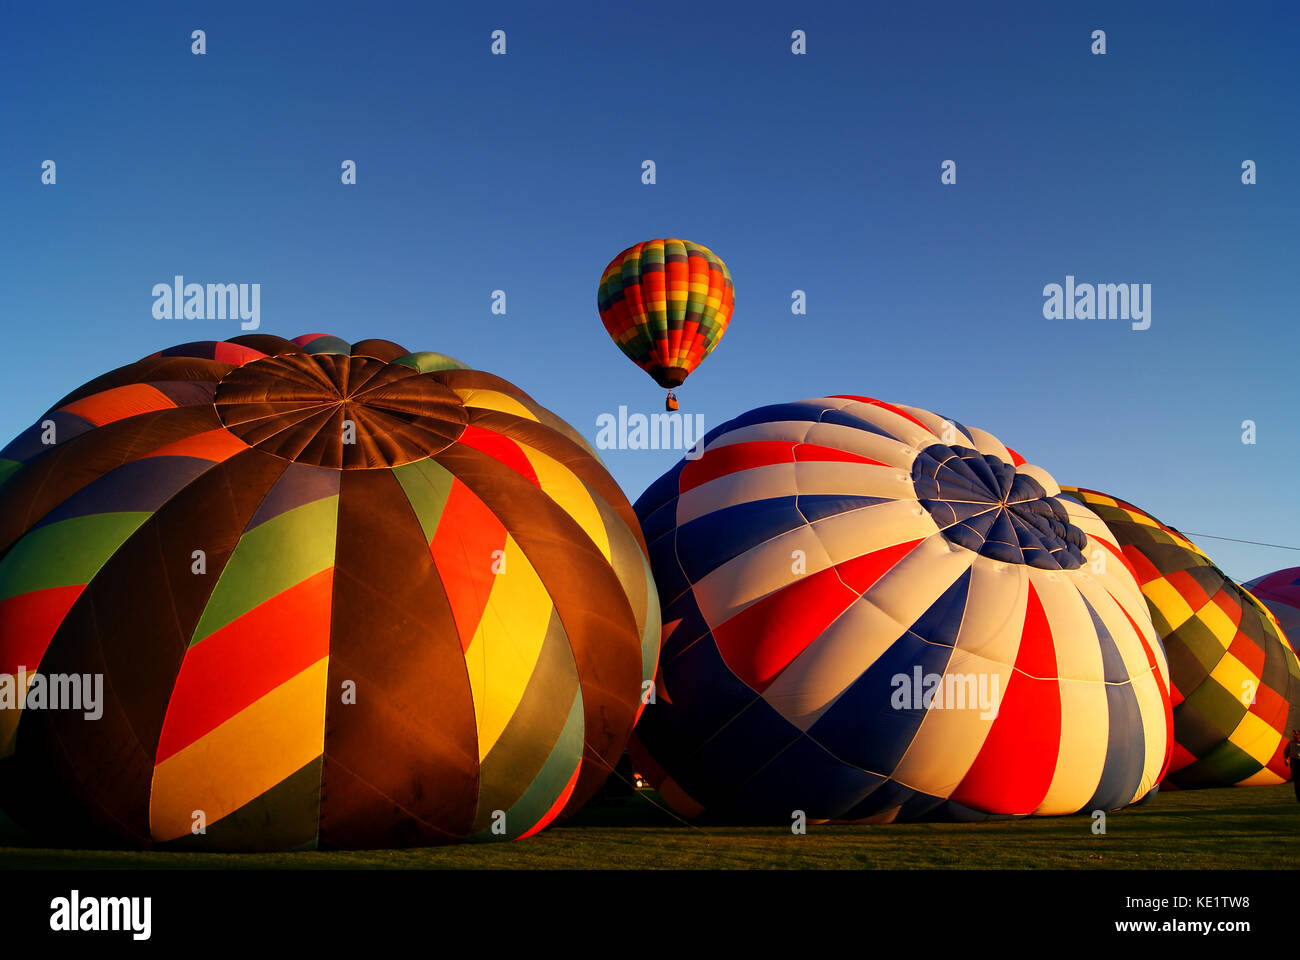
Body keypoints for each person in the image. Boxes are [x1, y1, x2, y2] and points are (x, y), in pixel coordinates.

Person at [1288, 730, 1300, 802]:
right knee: (1297, 781)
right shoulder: (1290, 743)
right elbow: (1286, 752)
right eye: (1294, 734)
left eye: (1296, 734)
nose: (1295, 735)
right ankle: (1298, 797)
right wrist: (1286, 759)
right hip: (1294, 762)